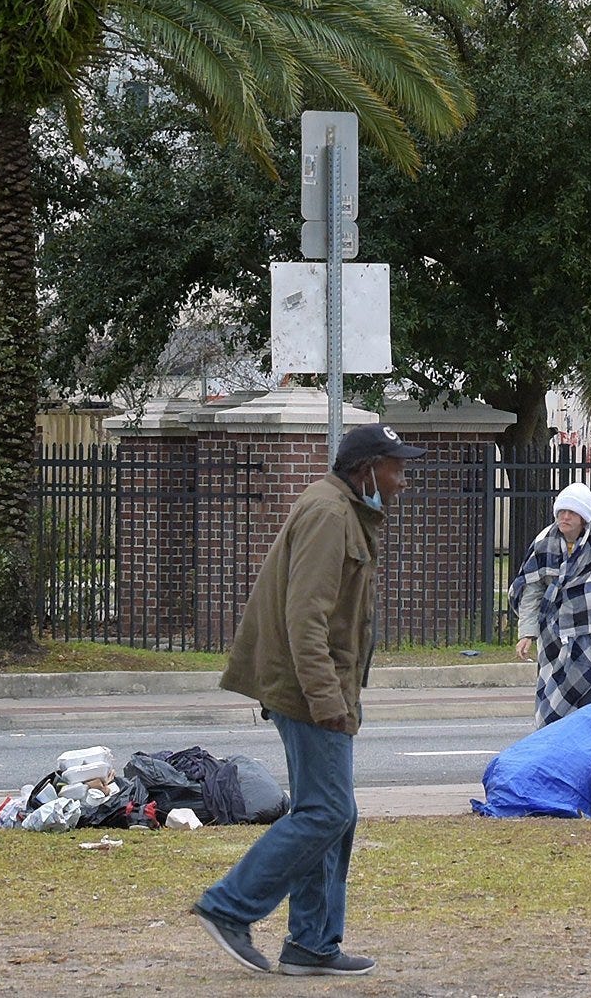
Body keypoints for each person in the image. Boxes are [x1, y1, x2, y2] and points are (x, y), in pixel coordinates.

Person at [196, 420, 423, 980]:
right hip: (307, 689)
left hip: (321, 687)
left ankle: (312, 943)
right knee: (328, 810)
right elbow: (306, 618)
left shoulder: (343, 509)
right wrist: (327, 699)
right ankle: (230, 907)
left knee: (333, 816)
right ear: (366, 469)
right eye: (396, 467)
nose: (401, 479)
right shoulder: (329, 514)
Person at [510, 481, 591, 725]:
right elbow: (531, 589)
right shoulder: (543, 543)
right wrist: (527, 632)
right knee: (555, 708)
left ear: (584, 517)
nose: (565, 517)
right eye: (561, 511)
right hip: (556, 640)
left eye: (572, 512)